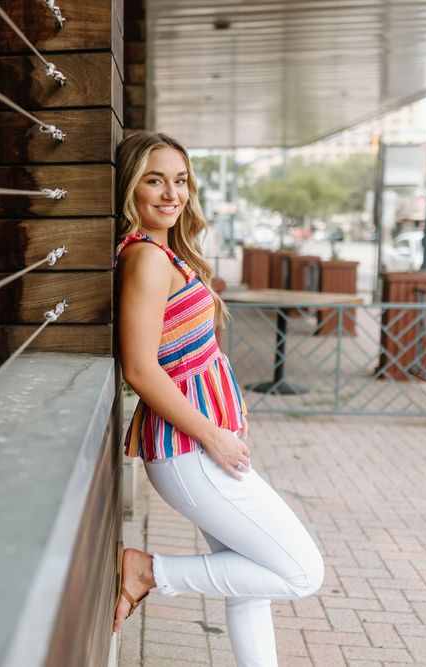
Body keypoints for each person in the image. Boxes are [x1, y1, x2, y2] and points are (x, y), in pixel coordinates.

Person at [112, 132, 323, 666]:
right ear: (130, 186)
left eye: (179, 180)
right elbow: (140, 367)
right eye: (154, 179)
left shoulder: (165, 254)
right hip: (190, 450)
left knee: (250, 582)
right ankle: (145, 571)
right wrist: (214, 436)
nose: (171, 193)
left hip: (198, 446)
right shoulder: (147, 259)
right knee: (300, 571)